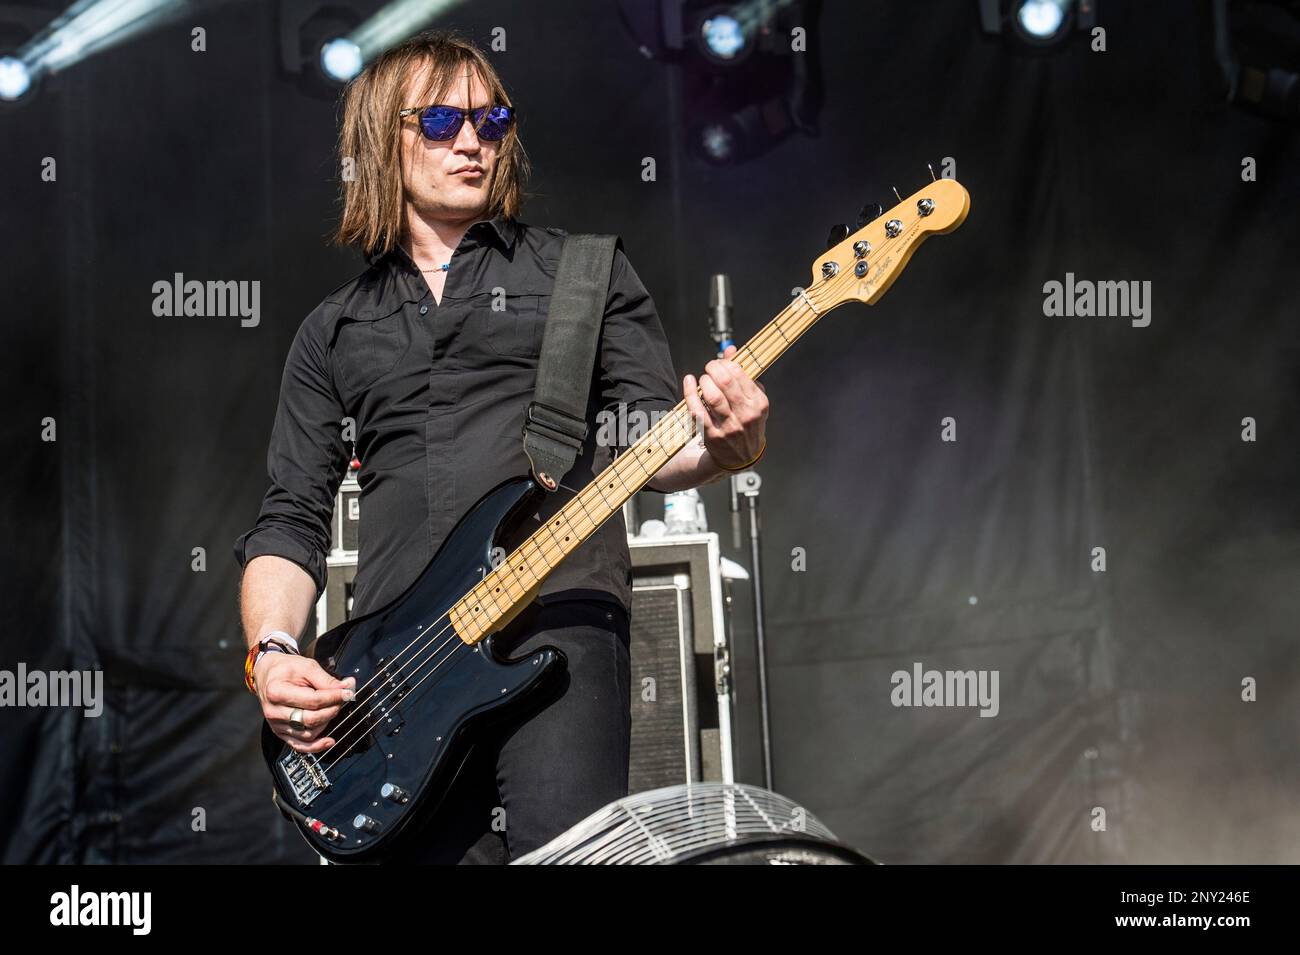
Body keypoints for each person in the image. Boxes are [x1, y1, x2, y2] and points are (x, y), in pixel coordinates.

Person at [234, 29, 768, 863]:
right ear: (384, 134)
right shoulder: (331, 331)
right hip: (394, 676)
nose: (473, 140)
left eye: (493, 120)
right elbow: (289, 520)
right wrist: (270, 655)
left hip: (560, 625)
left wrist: (728, 448)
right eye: (442, 120)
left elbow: (656, 446)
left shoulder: (584, 276)